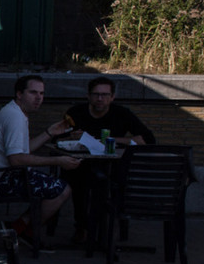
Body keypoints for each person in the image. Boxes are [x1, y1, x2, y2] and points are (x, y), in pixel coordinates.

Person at [0, 74, 81, 242]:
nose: (38, 98)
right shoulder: (15, 117)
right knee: (62, 189)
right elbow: (17, 159)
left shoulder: (16, 112)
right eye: (33, 93)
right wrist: (58, 161)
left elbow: (23, 150)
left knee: (52, 184)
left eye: (41, 93)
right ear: (19, 94)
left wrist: (49, 133)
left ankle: (18, 227)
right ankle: (25, 232)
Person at [58, 75, 156, 242]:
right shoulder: (76, 113)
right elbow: (58, 140)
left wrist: (112, 140)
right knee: (77, 180)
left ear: (112, 97)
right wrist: (72, 138)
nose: (100, 99)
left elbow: (147, 139)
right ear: (88, 96)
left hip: (112, 165)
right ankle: (82, 227)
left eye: (104, 95)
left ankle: (104, 229)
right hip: (81, 164)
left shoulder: (122, 114)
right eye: (96, 94)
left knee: (108, 183)